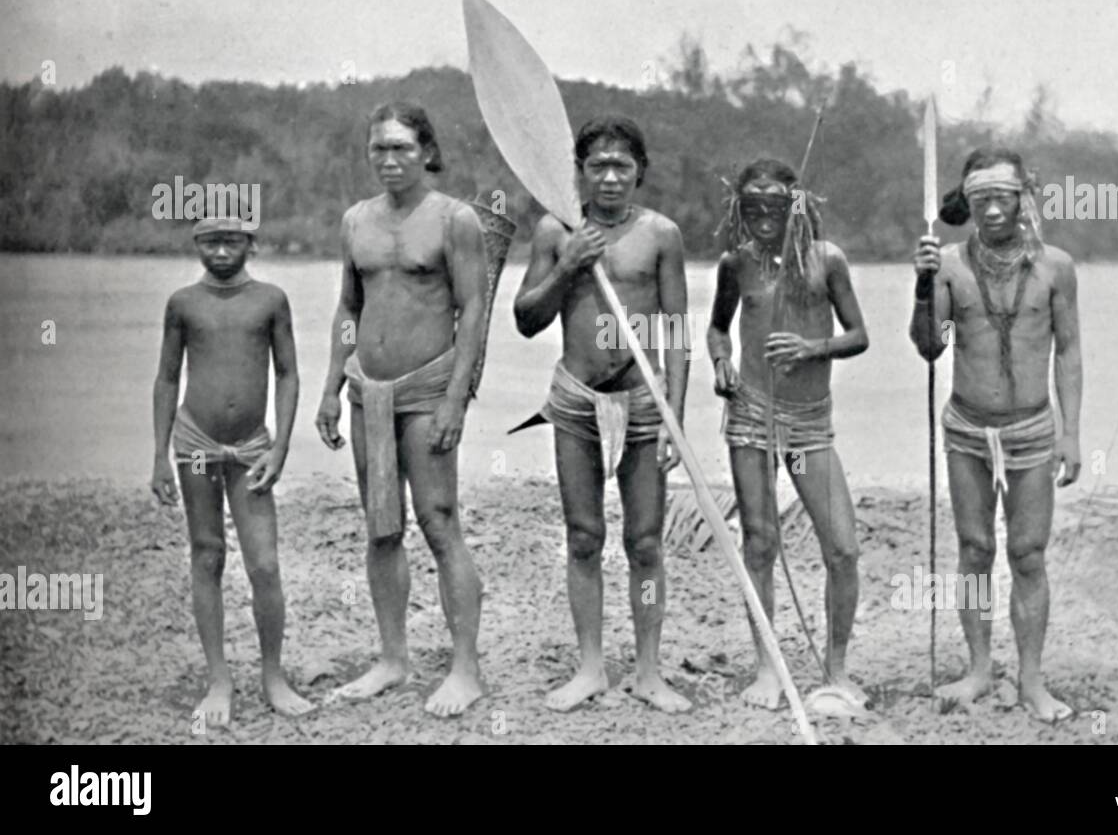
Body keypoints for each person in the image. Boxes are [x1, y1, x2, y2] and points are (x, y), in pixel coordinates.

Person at [315, 101, 489, 717]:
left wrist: (455, 400)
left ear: (426, 152)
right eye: (379, 149)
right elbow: (347, 308)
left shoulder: (455, 219)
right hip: (369, 388)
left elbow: (472, 310)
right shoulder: (355, 221)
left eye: (401, 149)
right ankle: (392, 658)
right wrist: (333, 384)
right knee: (381, 526)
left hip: (428, 385)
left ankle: (464, 668)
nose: (389, 160)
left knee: (439, 522)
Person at [512, 115, 691, 713]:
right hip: (576, 400)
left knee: (644, 542)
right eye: (597, 166)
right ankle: (590, 666)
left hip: (643, 400)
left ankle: (647, 669)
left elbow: (676, 333)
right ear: (580, 174)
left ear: (640, 171)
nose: (610, 178)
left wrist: (675, 417)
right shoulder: (555, 230)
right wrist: (568, 265)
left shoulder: (661, 234)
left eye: (622, 166)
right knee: (584, 536)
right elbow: (526, 317)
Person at [910, 148, 1082, 722]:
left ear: (1022, 199)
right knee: (976, 550)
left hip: (1032, 430)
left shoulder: (1056, 266)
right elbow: (930, 345)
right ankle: (980, 668)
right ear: (968, 202)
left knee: (1028, 554)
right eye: (980, 199)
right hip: (966, 428)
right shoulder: (951, 266)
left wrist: (1072, 434)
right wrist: (922, 285)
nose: (990, 210)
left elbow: (1069, 351)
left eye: (1001, 198)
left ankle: (1032, 680)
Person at [707, 158, 869, 709]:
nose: (763, 215)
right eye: (752, 205)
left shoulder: (827, 261)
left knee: (842, 548)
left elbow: (859, 334)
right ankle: (768, 669)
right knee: (760, 542)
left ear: (795, 205)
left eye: (775, 204)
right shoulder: (737, 265)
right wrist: (722, 362)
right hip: (752, 417)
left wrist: (812, 349)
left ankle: (837, 668)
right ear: (739, 208)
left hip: (808, 426)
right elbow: (715, 327)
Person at [151, 216, 312, 726]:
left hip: (250, 445)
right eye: (210, 242)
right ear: (197, 246)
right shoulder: (182, 303)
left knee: (264, 563)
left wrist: (280, 447)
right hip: (195, 442)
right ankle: (218, 678)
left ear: (252, 245)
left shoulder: (270, 300)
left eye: (232, 241)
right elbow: (167, 377)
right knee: (207, 554)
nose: (221, 252)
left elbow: (287, 374)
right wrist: (159, 455)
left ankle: (273, 675)